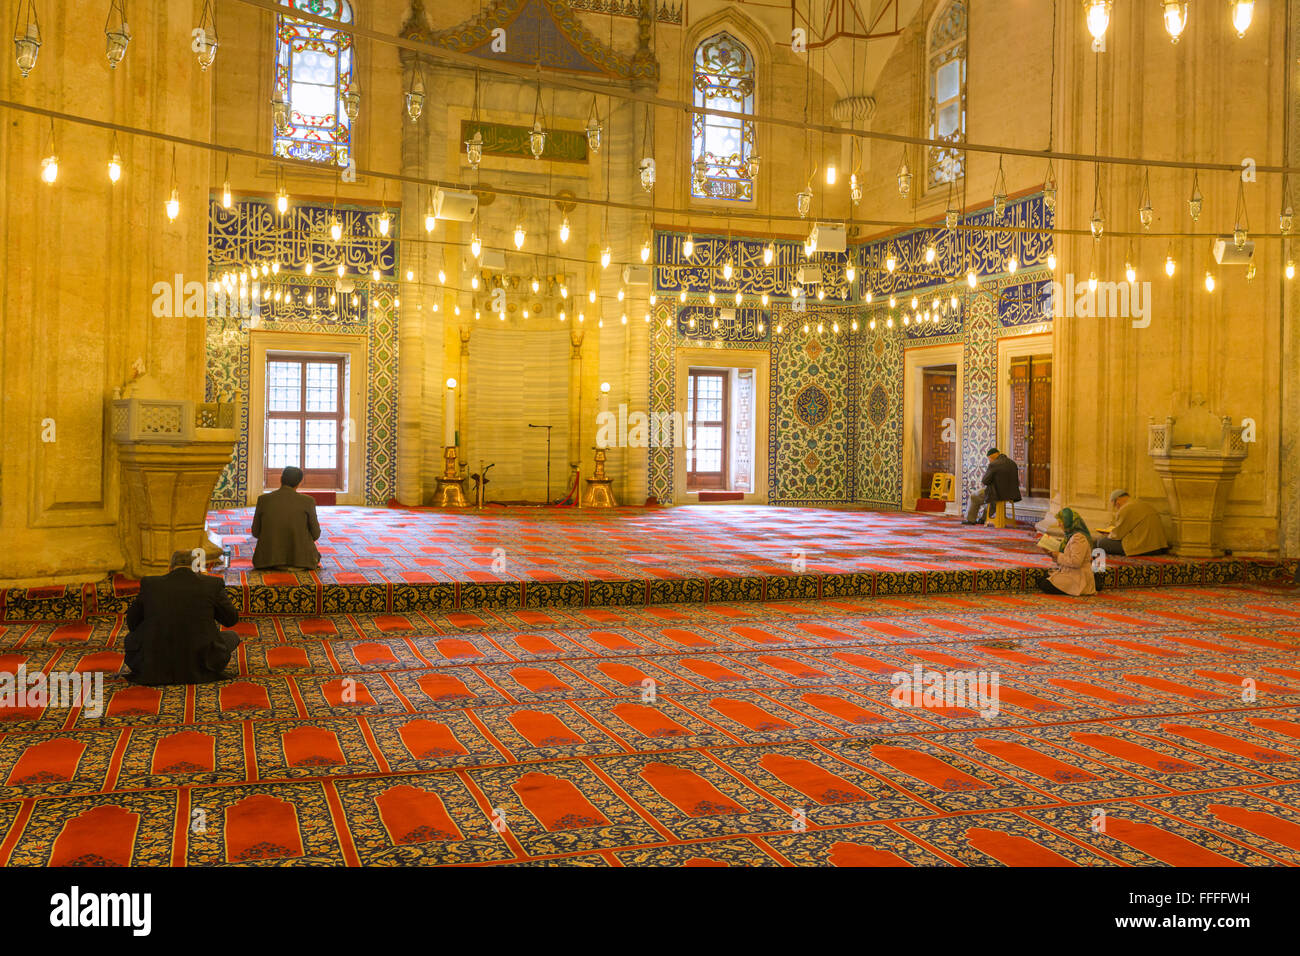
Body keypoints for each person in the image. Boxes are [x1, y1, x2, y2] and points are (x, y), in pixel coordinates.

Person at [122, 550, 241, 685]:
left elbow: (132, 623)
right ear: (196, 568)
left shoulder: (150, 584)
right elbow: (231, 620)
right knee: (232, 636)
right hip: (200, 660)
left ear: (169, 568)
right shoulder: (211, 584)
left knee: (130, 639)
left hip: (155, 661)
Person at [251, 466, 322, 570]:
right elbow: (316, 534)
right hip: (301, 561)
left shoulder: (263, 500)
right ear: (299, 482)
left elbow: (255, 532)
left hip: (267, 560)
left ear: (281, 479)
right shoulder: (308, 501)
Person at [1037, 507, 1097, 596]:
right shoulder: (1070, 536)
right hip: (1071, 573)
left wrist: (1058, 555)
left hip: (1078, 577)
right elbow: (1067, 558)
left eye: (1061, 522)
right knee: (1043, 578)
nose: (1059, 525)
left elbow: (1076, 562)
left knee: (1045, 584)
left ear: (1068, 522)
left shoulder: (1078, 538)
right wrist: (1051, 554)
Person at [1095, 489, 1170, 556]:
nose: (1116, 508)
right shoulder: (1142, 503)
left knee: (1101, 542)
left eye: (1114, 505)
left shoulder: (1126, 508)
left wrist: (1107, 534)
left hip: (1145, 548)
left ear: (1117, 501)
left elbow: (1117, 535)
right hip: (1159, 547)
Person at [963, 448, 1023, 524]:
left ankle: (970, 520)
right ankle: (983, 519)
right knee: (992, 499)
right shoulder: (1012, 463)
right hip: (1012, 494)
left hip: (997, 493)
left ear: (991, 457)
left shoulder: (994, 464)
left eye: (989, 459)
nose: (989, 461)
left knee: (974, 496)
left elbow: (985, 481)